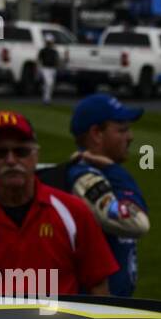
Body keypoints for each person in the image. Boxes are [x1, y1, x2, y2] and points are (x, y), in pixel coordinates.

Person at [0, 111, 117, 298]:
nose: (11, 160)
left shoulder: (73, 212)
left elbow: (99, 288)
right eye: (0, 152)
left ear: (36, 155)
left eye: (21, 151)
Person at [63, 94, 150, 298]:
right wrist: (116, 172)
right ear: (96, 134)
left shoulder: (101, 175)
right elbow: (136, 223)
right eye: (122, 129)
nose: (130, 137)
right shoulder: (84, 178)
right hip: (95, 314)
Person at [38, 35, 58, 105]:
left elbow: (56, 60)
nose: (49, 43)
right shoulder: (43, 50)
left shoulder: (54, 51)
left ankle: (47, 98)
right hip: (45, 68)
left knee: (50, 84)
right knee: (48, 82)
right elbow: (39, 59)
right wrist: (38, 69)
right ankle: (46, 99)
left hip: (52, 69)